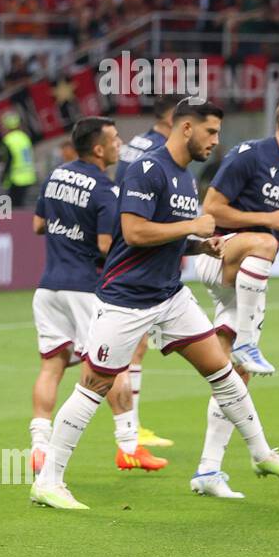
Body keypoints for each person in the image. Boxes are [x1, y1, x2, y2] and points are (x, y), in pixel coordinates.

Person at [31, 100, 279, 511]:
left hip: (170, 295)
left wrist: (200, 244)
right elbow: (135, 231)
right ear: (187, 128)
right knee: (94, 387)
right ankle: (49, 481)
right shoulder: (149, 169)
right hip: (126, 300)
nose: (216, 141)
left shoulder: (181, 177)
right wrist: (192, 226)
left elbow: (169, 235)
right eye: (211, 133)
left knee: (224, 372)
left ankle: (261, 454)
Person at [188, 92, 279, 497]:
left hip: (245, 276)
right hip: (217, 256)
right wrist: (264, 220)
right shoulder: (248, 155)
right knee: (263, 244)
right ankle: (248, 343)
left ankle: (208, 470)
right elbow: (210, 211)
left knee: (232, 378)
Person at [28, 117, 166, 476]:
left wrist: (68, 229)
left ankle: (39, 446)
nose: (121, 144)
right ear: (100, 148)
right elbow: (106, 246)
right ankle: (128, 446)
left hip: (48, 286)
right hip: (85, 289)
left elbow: (38, 225)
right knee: (112, 363)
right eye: (115, 139)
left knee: (51, 366)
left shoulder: (55, 175)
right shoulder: (105, 190)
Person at [111, 93, 183, 449]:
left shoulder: (137, 143)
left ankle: (131, 426)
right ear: (173, 118)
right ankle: (130, 428)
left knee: (133, 346)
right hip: (135, 253)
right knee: (133, 346)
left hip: (122, 243)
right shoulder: (158, 152)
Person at [0, 111, 36, 207]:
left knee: (12, 205)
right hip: (28, 175)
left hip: (16, 178)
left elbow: (8, 160)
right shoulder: (25, 137)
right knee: (20, 203)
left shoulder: (8, 139)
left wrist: (4, 175)